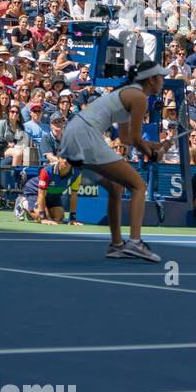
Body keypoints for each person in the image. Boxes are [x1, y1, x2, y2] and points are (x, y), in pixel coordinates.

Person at [56, 61, 172, 262]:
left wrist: (156, 145)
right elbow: (135, 140)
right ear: (152, 79)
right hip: (86, 136)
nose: (163, 81)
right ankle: (134, 242)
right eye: (161, 77)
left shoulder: (130, 93)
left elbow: (127, 138)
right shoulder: (138, 97)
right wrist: (152, 154)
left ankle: (117, 244)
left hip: (71, 136)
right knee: (138, 185)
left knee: (115, 188)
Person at [21, 159, 84, 225]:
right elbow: (41, 194)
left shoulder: (76, 174)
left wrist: (72, 219)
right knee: (43, 216)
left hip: (54, 194)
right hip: (35, 190)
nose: (65, 161)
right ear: (58, 159)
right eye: (63, 158)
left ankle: (40, 208)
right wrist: (43, 218)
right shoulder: (47, 171)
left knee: (59, 219)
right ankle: (24, 203)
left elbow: (74, 195)